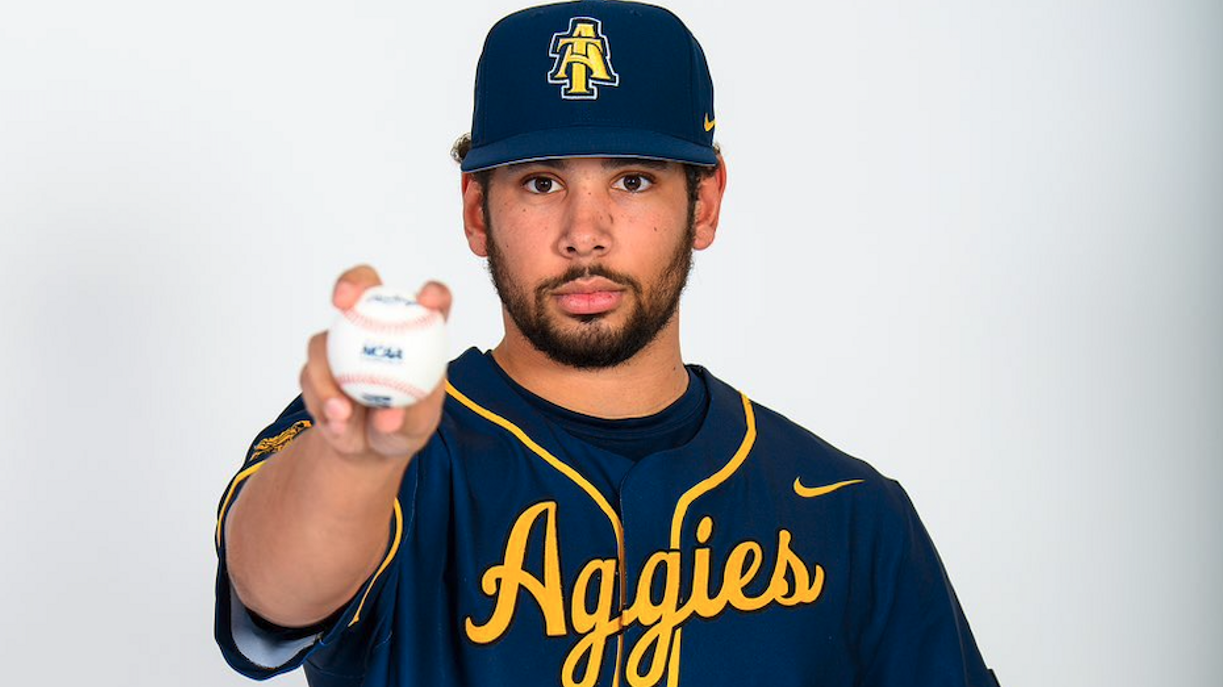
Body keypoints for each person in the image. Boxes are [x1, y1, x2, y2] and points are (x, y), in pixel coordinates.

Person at [214, 1, 1000, 685]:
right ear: (478, 212)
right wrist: (355, 466)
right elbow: (274, 593)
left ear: (704, 203)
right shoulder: (397, 455)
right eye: (540, 182)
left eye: (631, 179)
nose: (583, 235)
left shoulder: (849, 513)